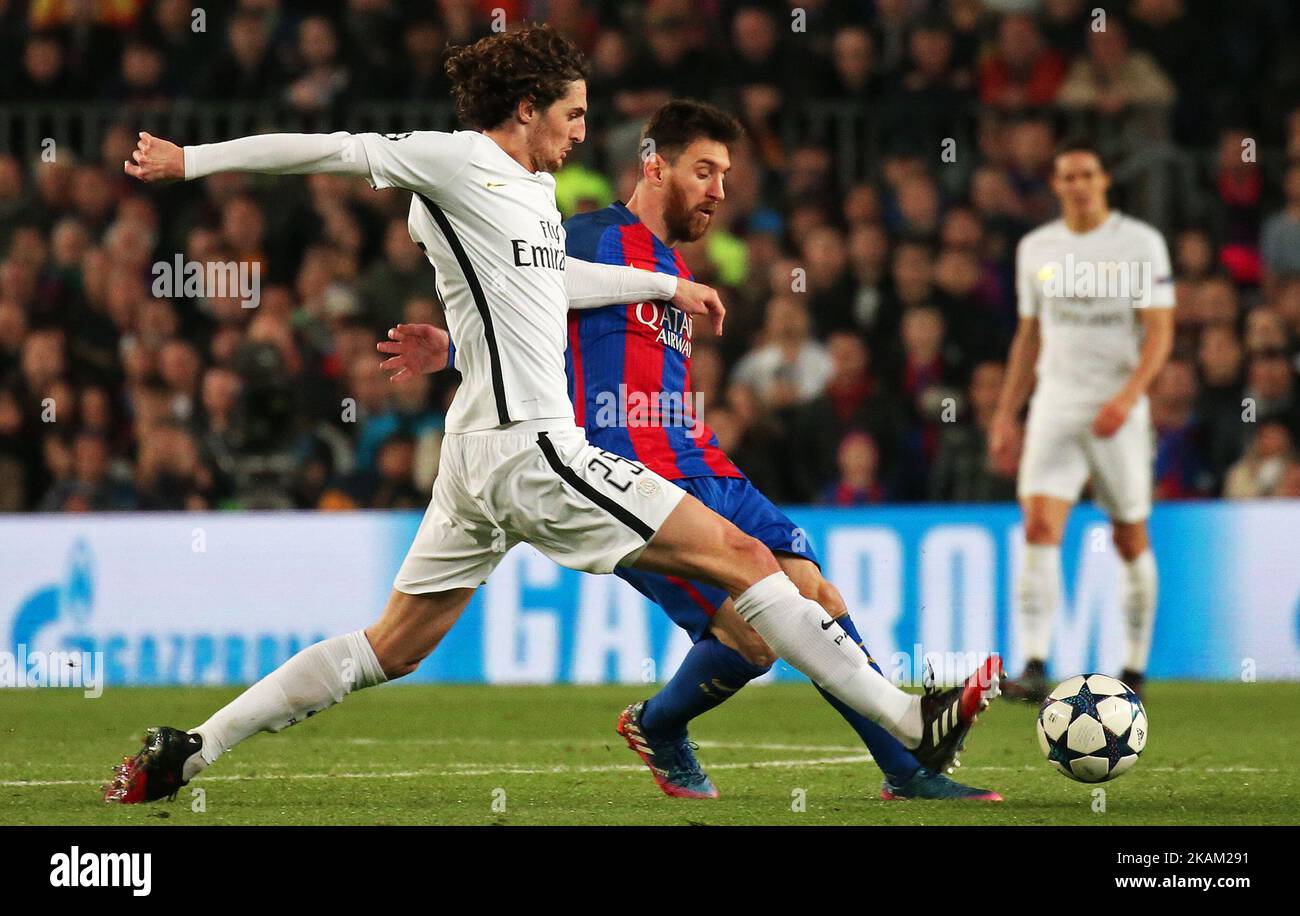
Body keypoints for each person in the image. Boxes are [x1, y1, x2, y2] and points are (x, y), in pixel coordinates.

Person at [105, 26, 998, 805]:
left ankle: (193, 747)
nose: (581, 133)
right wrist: (193, 161)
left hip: (476, 458)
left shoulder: (533, 197)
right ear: (527, 107)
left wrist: (666, 283)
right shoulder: (459, 159)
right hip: (534, 446)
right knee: (747, 561)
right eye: (572, 115)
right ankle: (908, 720)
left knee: (390, 648)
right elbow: (335, 148)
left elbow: (551, 286)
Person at [401, 100, 999, 801]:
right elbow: (511, 298)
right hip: (628, 471)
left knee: (817, 592)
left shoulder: (671, 262)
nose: (721, 190)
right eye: (705, 171)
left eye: (726, 175)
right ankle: (659, 725)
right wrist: (453, 345)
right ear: (653, 164)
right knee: (753, 641)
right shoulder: (589, 235)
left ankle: (907, 769)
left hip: (700, 456)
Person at [990, 140, 1175, 702]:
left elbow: (1160, 331)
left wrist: (1129, 396)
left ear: (1104, 182)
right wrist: (1006, 413)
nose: (1078, 185)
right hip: (1055, 404)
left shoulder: (1139, 244)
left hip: (1117, 406)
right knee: (1040, 528)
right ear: (1055, 185)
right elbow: (1029, 336)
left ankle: (1136, 667)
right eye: (1067, 176)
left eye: (1087, 175)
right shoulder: (1036, 248)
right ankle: (1036, 662)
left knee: (1128, 535)